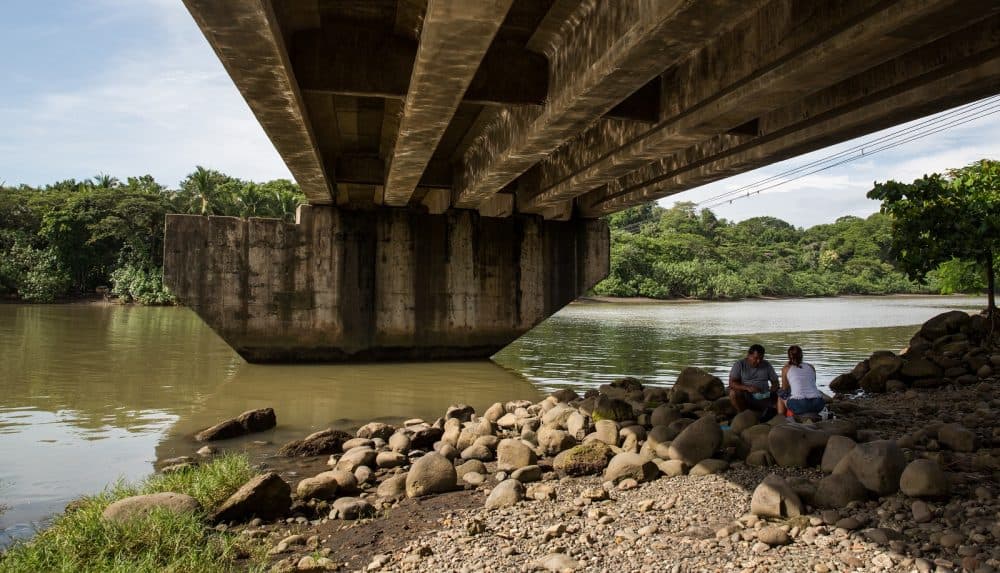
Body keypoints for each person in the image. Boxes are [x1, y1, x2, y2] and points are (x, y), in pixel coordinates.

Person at [728, 344, 780, 416]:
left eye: (761, 358)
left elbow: (775, 382)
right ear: (749, 355)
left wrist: (773, 388)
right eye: (756, 358)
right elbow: (731, 383)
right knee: (733, 393)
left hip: (765, 395)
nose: (758, 361)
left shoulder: (767, 364)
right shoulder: (739, 364)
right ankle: (742, 414)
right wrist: (747, 388)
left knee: (782, 392)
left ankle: (775, 415)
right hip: (748, 396)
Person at [777, 345, 826, 417]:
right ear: (801, 355)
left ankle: (781, 419)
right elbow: (812, 383)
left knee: (781, 395)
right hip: (818, 403)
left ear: (789, 356)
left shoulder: (786, 368)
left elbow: (784, 388)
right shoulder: (811, 366)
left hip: (800, 405)